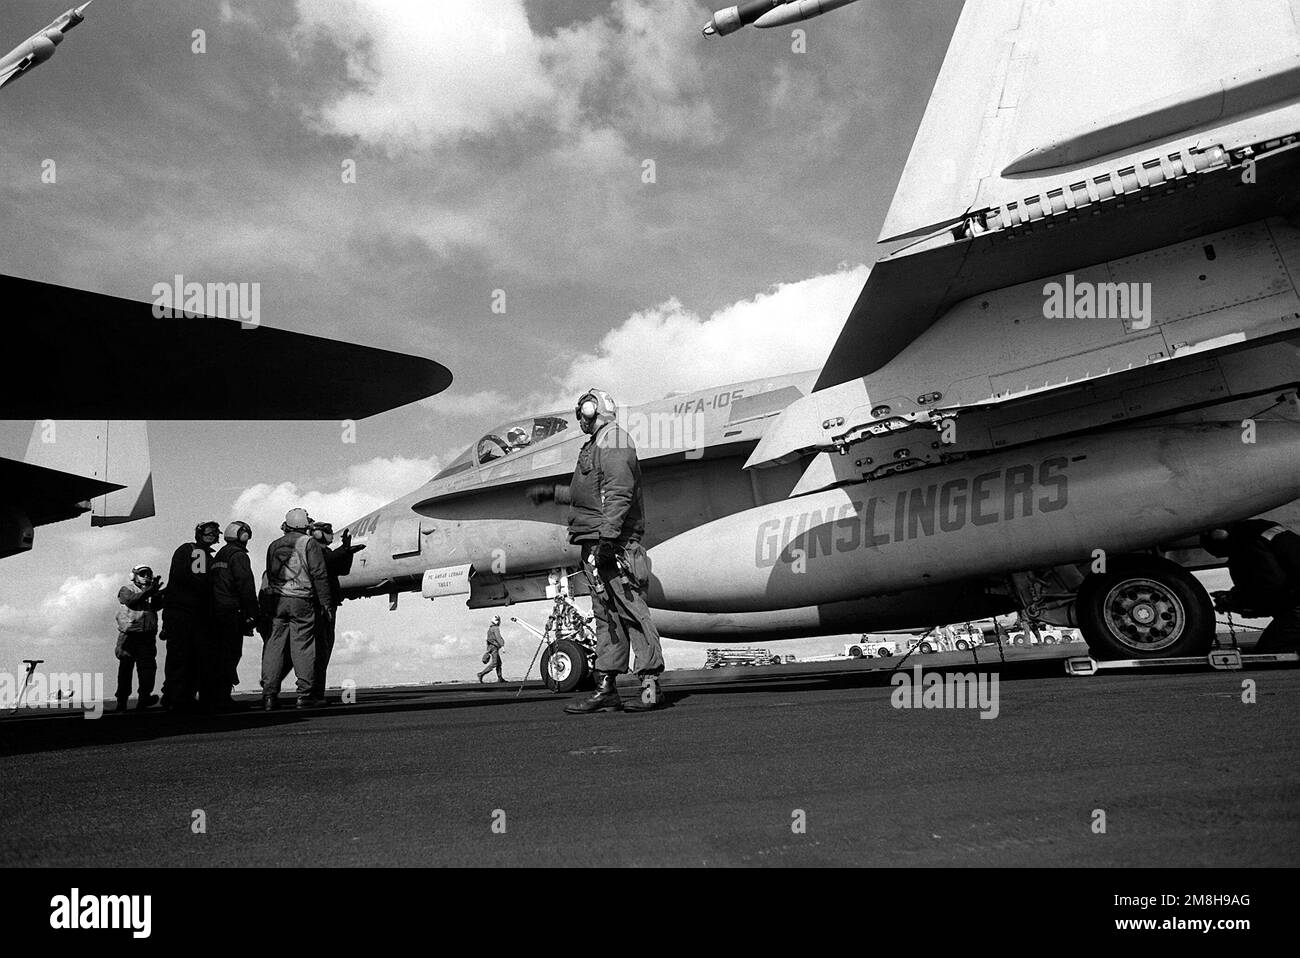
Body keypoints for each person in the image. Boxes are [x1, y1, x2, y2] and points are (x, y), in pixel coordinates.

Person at [528, 387, 667, 713]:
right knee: (605, 617)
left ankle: (650, 686)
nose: (579, 419)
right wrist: (553, 493)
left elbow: (619, 492)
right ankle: (607, 688)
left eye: (581, 412)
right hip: (595, 544)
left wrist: (607, 540)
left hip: (614, 545)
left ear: (593, 409)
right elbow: (590, 493)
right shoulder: (596, 445)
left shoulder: (615, 440)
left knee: (632, 613)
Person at [261, 507, 331, 710]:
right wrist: (326, 603)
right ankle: (305, 695)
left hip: (277, 601)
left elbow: (270, 574)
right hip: (301, 601)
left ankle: (268, 696)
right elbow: (319, 574)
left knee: (274, 646)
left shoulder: (274, 545)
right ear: (305, 526)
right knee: (303, 646)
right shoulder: (309, 543)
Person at [1202, 520, 1300, 652]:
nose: (1217, 555)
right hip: (1294, 604)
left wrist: (1235, 601)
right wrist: (1236, 599)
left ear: (1218, 535)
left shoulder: (1247, 543)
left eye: (1215, 551)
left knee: (1273, 651)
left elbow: (1271, 589)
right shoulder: (1257, 533)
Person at [160, 521, 220, 712]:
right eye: (210, 532)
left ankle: (172, 695)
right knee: (188, 657)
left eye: (214, 532)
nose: (213, 535)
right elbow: (199, 581)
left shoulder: (188, 550)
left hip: (178, 613)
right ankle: (181, 698)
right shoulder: (198, 553)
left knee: (178, 656)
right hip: (190, 615)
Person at [308, 520, 365, 700]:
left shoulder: (324, 551)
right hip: (320, 605)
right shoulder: (313, 550)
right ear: (317, 534)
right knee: (320, 648)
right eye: (327, 531)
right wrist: (343, 551)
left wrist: (346, 552)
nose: (330, 534)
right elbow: (324, 565)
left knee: (325, 648)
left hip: (327, 603)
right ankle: (312, 694)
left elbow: (342, 570)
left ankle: (315, 692)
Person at [210, 521, 258, 710]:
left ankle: (215, 696)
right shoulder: (238, 556)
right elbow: (245, 585)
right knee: (230, 654)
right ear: (243, 535)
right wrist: (253, 612)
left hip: (216, 611)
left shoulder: (220, 554)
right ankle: (223, 698)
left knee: (219, 654)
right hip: (232, 612)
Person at [113, 565, 164, 712]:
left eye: (148, 574)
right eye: (143, 574)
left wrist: (161, 593)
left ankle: (143, 699)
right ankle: (121, 701)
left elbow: (157, 606)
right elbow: (130, 601)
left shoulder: (151, 592)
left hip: (147, 637)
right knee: (125, 670)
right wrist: (150, 592)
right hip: (129, 636)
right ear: (134, 576)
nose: (146, 577)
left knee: (147, 669)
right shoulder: (126, 589)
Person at [477, 615, 506, 683]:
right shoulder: (496, 628)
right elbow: (498, 637)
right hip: (494, 647)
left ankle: (500, 678)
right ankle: (481, 674)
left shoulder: (490, 629)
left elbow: (489, 639)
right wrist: (502, 646)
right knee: (494, 663)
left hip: (491, 647)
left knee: (499, 663)